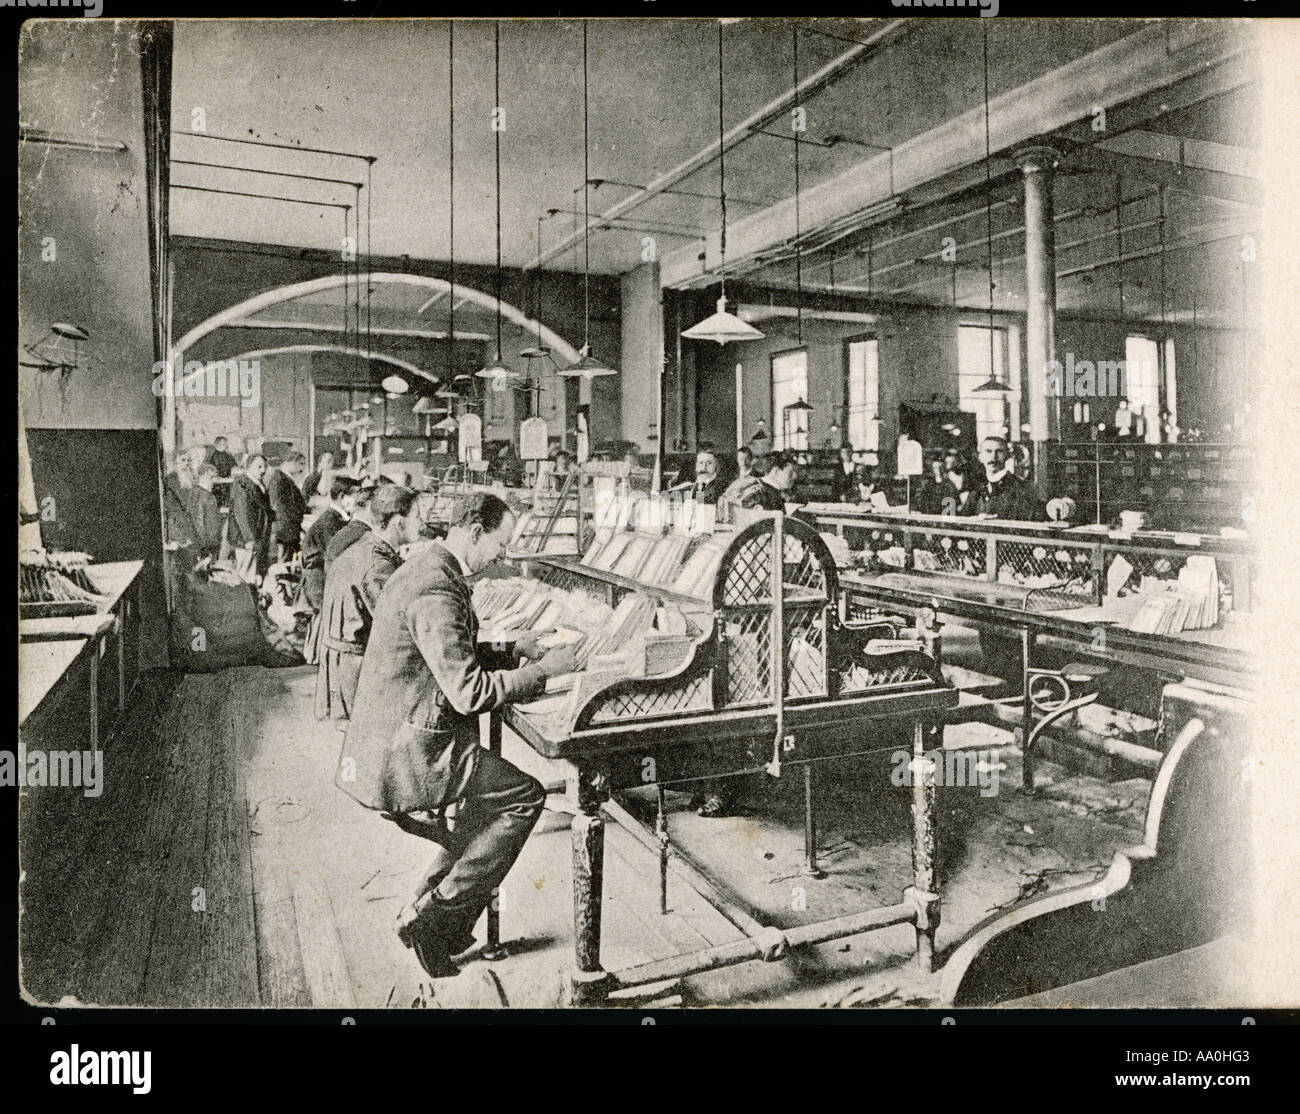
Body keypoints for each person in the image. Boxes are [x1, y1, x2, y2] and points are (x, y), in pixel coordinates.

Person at [336, 494, 578, 978]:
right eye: (499, 544)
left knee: (484, 807)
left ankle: (421, 909)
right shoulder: (436, 586)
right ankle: (436, 919)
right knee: (524, 798)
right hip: (408, 753)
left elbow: (448, 650)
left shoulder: (430, 566)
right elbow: (468, 691)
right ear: (473, 530)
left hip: (397, 737)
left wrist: (512, 650)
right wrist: (544, 670)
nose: (501, 557)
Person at [316, 485, 423, 721]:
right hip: (355, 671)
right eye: (417, 516)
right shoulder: (377, 565)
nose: (422, 524)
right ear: (399, 522)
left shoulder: (365, 545)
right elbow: (401, 625)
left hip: (344, 664)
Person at [302, 474, 360, 612]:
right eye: (356, 497)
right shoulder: (330, 522)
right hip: (319, 586)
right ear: (341, 497)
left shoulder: (336, 518)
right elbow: (337, 558)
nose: (359, 502)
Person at [966, 436, 1043, 520]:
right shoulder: (977, 490)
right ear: (980, 457)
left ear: (1007, 456)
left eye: (999, 451)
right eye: (988, 451)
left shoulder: (1020, 488)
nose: (993, 457)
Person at [227, 452, 274, 583]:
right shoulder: (242, 485)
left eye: (264, 466)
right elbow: (242, 515)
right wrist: (249, 539)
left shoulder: (258, 484)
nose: (263, 470)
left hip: (257, 539)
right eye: (259, 467)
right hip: (246, 541)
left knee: (255, 576)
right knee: (246, 577)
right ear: (248, 467)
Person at [268, 451, 308, 563]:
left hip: (289, 527)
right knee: (284, 560)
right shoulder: (279, 479)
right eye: (301, 464)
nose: (302, 468)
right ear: (292, 462)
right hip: (285, 528)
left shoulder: (286, 478)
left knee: (289, 559)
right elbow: (276, 505)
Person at [188, 463, 224, 558]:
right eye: (211, 477)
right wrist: (204, 545)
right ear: (203, 475)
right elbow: (198, 521)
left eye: (215, 477)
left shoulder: (209, 495)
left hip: (212, 543)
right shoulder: (197, 493)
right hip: (205, 545)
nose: (214, 481)